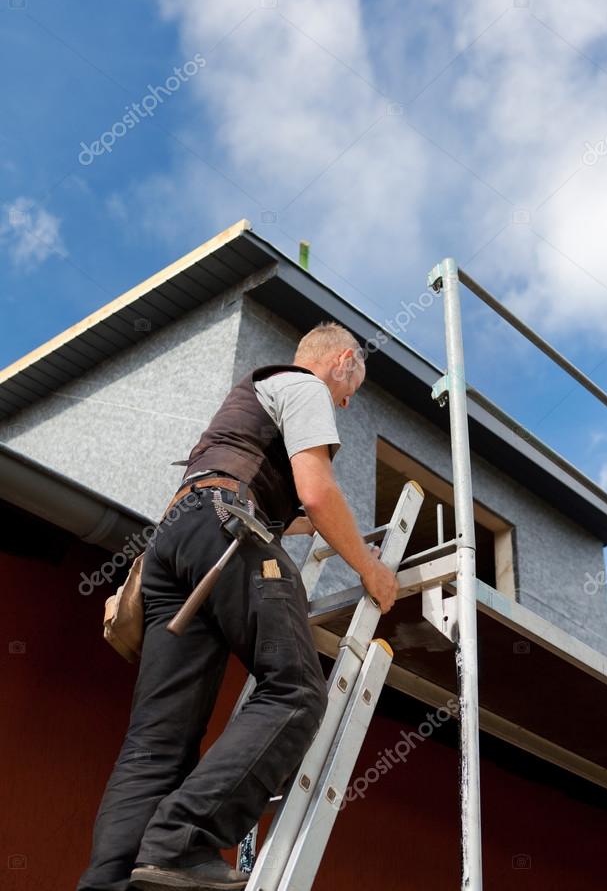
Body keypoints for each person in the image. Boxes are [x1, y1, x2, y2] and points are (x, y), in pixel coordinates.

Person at [76, 321, 399, 891]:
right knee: (295, 690)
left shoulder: (253, 399)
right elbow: (317, 490)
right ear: (344, 361)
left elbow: (286, 502)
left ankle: (108, 883)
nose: (346, 405)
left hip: (175, 543)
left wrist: (338, 535)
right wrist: (370, 568)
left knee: (155, 741)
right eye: (352, 392)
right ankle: (181, 842)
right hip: (225, 529)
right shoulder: (305, 386)